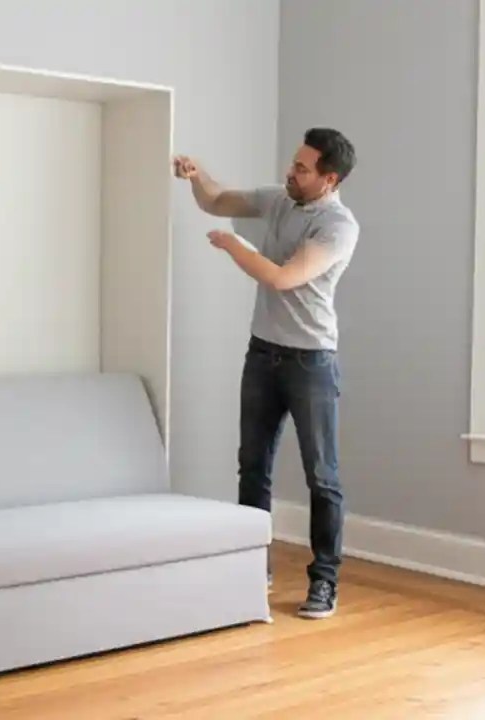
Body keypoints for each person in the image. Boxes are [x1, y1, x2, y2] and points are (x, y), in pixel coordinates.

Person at [173, 128, 359, 620]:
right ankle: (253, 570)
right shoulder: (279, 200)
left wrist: (234, 246)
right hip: (263, 355)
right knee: (253, 469)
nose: (290, 173)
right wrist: (196, 175)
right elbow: (215, 199)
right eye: (293, 164)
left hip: (311, 361)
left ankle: (324, 582)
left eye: (302, 168)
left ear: (329, 178)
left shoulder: (338, 227)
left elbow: (282, 278)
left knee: (323, 476)